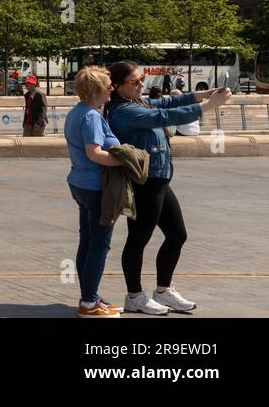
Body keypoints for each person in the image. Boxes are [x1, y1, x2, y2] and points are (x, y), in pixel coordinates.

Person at [105, 60, 230, 315]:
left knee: (177, 235)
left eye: (141, 80)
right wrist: (207, 107)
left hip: (160, 179)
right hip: (144, 182)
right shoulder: (123, 111)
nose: (142, 84)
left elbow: (169, 103)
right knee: (138, 239)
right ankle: (134, 296)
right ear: (117, 87)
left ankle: (163, 290)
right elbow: (163, 116)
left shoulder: (140, 101)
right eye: (135, 82)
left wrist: (204, 94)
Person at [63, 66, 123, 318]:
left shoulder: (76, 112)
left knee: (87, 242)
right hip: (95, 186)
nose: (111, 89)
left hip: (79, 183)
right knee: (99, 245)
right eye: (109, 85)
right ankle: (88, 302)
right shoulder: (91, 116)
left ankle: (90, 295)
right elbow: (95, 153)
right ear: (97, 89)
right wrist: (127, 160)